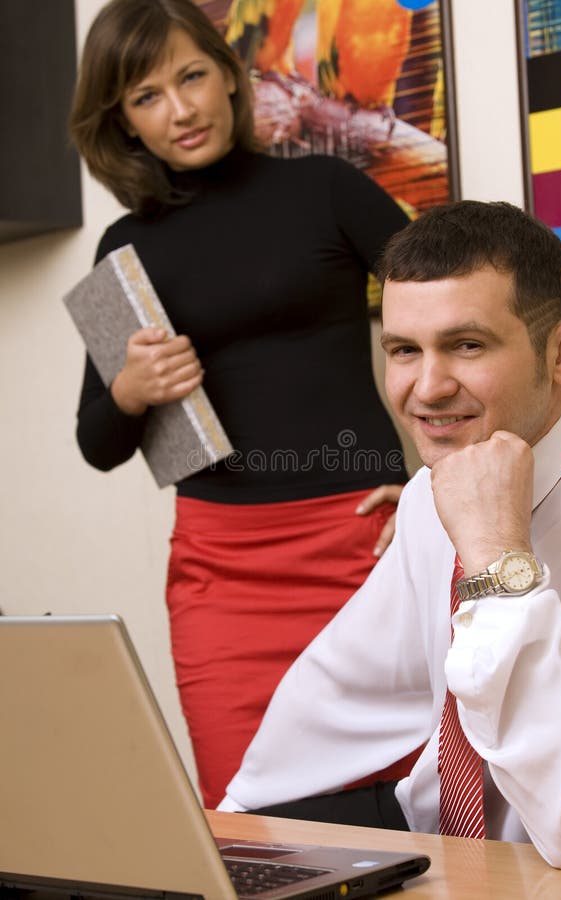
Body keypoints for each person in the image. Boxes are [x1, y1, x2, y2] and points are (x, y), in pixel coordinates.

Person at [69, 0, 413, 809]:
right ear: (122, 123)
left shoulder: (327, 188)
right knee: (252, 833)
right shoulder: (122, 247)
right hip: (221, 577)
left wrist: (436, 491)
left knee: (417, 820)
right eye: (147, 96)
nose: (180, 109)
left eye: (191, 76)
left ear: (229, 75)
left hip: (360, 551)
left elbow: (454, 320)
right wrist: (131, 389)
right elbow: (99, 441)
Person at [218, 200, 561, 870]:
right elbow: (337, 692)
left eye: (467, 345)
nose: (426, 388)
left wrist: (496, 554)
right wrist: (232, 829)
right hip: (444, 842)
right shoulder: (436, 490)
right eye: (403, 350)